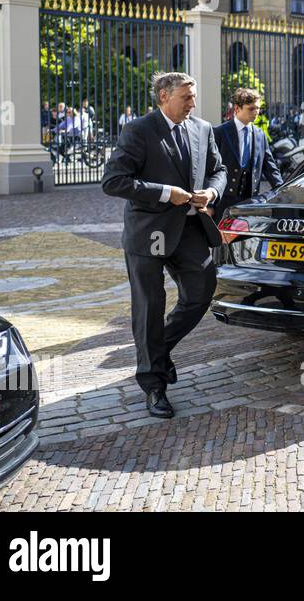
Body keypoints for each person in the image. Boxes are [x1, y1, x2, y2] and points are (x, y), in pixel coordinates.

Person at [100, 72, 226, 420]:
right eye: (186, 97)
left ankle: (158, 351)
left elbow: (220, 170)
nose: (193, 103)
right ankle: (154, 386)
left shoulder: (202, 129)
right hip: (148, 232)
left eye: (194, 96)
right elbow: (114, 182)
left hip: (189, 229)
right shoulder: (138, 130)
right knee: (149, 308)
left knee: (202, 291)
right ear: (163, 96)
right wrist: (164, 193)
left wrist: (212, 191)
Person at [214, 87, 283, 223]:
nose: (256, 112)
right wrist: (210, 202)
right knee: (220, 240)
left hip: (249, 201)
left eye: (257, 108)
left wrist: (282, 189)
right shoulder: (220, 132)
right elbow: (210, 168)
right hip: (223, 200)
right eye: (251, 109)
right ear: (237, 109)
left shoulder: (260, 134)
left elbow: (269, 167)